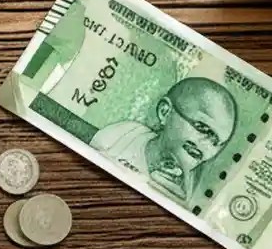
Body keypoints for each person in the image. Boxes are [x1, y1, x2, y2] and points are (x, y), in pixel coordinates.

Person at [89, 77, 237, 200]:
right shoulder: (124, 134)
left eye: (217, 143)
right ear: (165, 112)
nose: (206, 146)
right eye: (202, 128)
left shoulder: (192, 197)